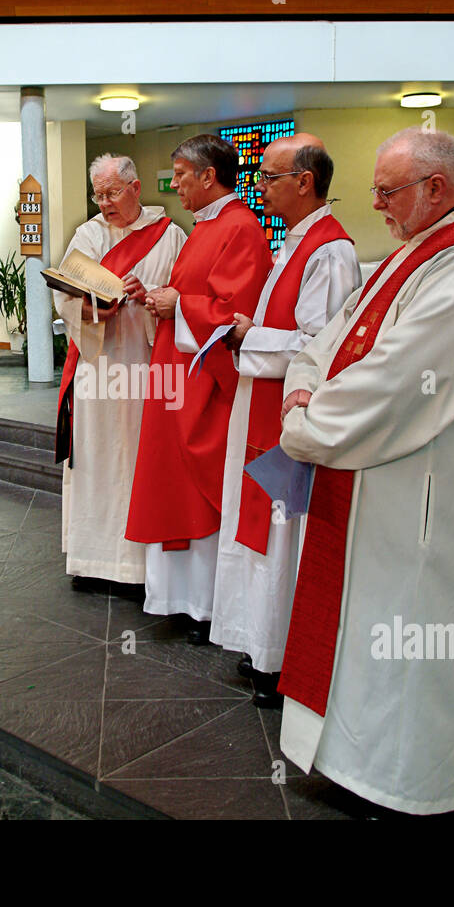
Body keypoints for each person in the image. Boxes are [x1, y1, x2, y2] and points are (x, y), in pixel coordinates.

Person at [276, 126, 454, 817]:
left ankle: (405, 785)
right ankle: (354, 765)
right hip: (367, 488)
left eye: (387, 192)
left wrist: (307, 421)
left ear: (435, 189)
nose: (377, 205)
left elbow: (396, 385)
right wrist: (305, 390)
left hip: (422, 503)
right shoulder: (409, 256)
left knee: (407, 646)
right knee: (366, 641)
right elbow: (324, 346)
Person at [210, 134, 360, 706]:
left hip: (288, 413)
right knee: (259, 533)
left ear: (305, 181)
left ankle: (282, 659)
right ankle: (260, 646)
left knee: (281, 532)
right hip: (260, 402)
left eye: (270, 177)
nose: (259, 186)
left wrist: (249, 334)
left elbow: (323, 346)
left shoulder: (330, 250)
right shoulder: (294, 241)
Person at [125, 134, 272, 643]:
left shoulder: (242, 228)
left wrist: (179, 306)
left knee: (198, 486)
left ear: (210, 176)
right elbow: (194, 295)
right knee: (171, 480)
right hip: (177, 374)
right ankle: (179, 599)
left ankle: (204, 604)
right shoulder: (206, 227)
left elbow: (239, 315)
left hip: (205, 384)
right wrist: (160, 298)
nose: (177, 186)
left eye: (182, 176)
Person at [53, 154, 187, 592]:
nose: (105, 202)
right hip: (97, 366)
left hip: (145, 366)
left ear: (135, 187)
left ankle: (135, 567)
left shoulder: (170, 236)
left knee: (135, 456)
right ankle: (92, 559)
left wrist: (151, 297)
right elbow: (66, 297)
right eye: (99, 194)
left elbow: (183, 294)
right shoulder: (87, 235)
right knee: (95, 455)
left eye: (112, 193)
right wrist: (95, 305)